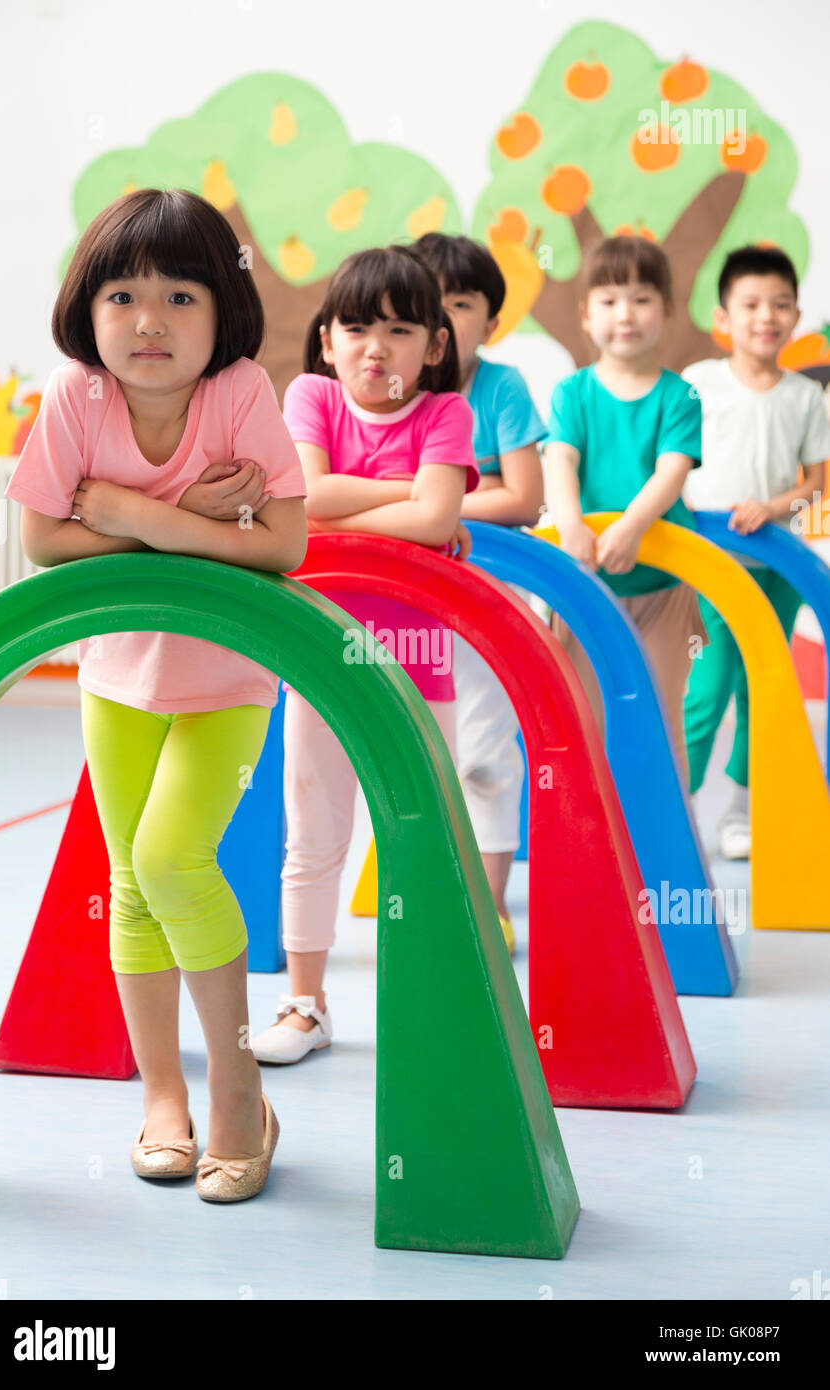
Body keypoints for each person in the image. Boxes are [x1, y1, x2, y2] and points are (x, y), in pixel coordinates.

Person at [5, 188, 308, 1202]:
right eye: (123, 293)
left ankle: (236, 1090)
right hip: (116, 672)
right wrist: (187, 512)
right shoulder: (74, 399)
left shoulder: (239, 396)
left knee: (169, 857)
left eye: (181, 295)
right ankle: (161, 1099)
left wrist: (138, 507)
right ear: (87, 308)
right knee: (130, 887)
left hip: (224, 677)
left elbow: (282, 546)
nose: (148, 320)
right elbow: (47, 541)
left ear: (223, 310)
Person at [249, 245, 478, 1064]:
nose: (375, 347)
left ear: (435, 347)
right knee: (313, 835)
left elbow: (432, 521)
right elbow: (310, 504)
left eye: (399, 328)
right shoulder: (308, 395)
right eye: (356, 327)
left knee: (425, 833)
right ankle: (305, 1004)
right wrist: (412, 492)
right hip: (321, 656)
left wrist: (369, 502)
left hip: (420, 664)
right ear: (325, 341)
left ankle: (431, 996)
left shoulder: (448, 416)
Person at [412, 233, 547, 950]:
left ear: (489, 322)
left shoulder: (500, 389)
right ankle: (428, 892)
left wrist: (435, 505)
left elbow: (526, 498)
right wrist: (473, 488)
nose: (442, 315)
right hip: (407, 605)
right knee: (417, 755)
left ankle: (488, 904)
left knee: (486, 756)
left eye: (460, 303)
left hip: (488, 600)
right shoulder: (393, 390)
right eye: (428, 299)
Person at [681, 245, 830, 858]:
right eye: (751, 304)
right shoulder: (698, 381)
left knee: (763, 685)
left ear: (795, 317)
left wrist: (773, 506)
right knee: (707, 686)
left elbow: (816, 480)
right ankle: (669, 804)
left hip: (779, 559)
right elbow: (673, 460)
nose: (765, 316)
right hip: (713, 561)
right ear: (724, 316)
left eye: (780, 305)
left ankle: (741, 812)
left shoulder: (805, 396)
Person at [542, 235, 706, 778]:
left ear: (667, 312)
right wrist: (569, 523)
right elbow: (561, 461)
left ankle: (667, 839)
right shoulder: (573, 392)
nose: (626, 314)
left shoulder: (678, 396)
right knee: (581, 715)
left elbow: (671, 470)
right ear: (587, 316)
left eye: (641, 298)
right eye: (609, 300)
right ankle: (595, 842)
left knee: (662, 718)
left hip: (662, 582)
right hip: (587, 580)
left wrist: (634, 526)